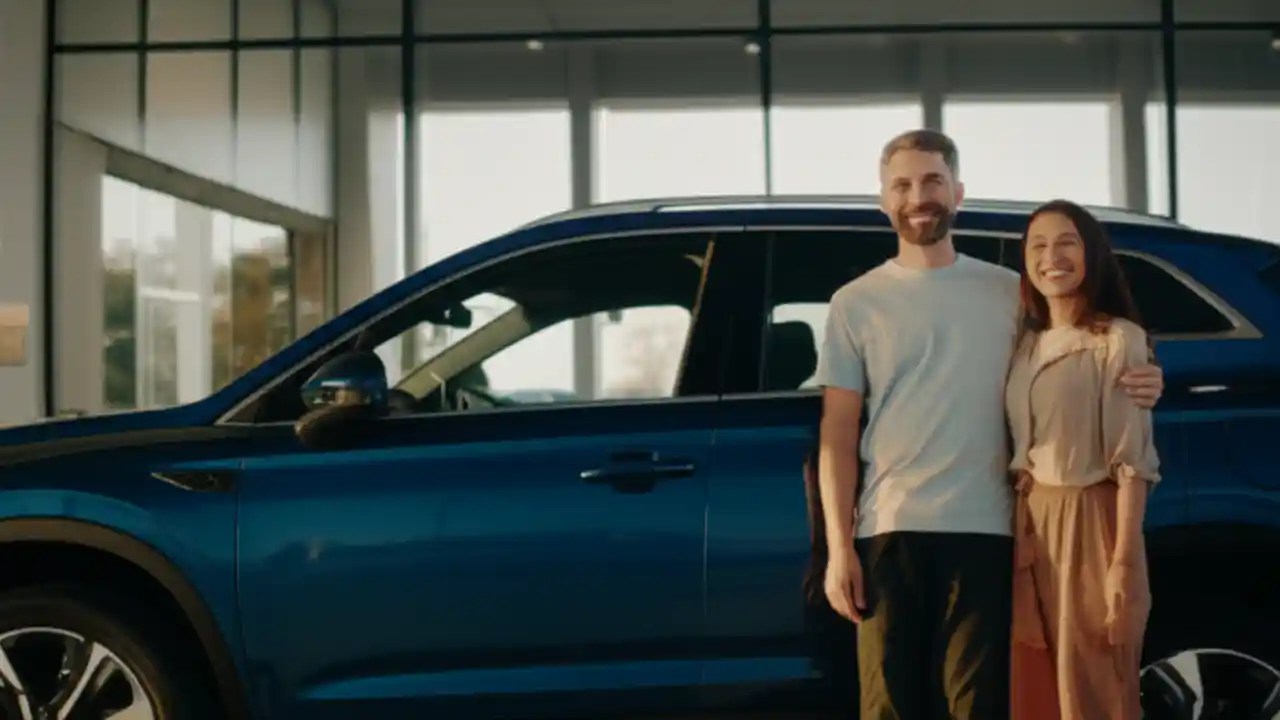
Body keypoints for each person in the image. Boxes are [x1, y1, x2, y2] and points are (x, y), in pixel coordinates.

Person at [812, 129, 1164, 720]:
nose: (917, 196)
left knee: (977, 706)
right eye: (902, 184)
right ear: (883, 200)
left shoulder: (1010, 292)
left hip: (990, 531)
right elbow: (838, 434)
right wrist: (839, 548)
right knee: (888, 706)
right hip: (888, 529)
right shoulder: (856, 302)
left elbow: (1079, 351)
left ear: (958, 193)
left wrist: (1149, 374)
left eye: (932, 181)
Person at [1006, 200, 1158, 720]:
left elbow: (1131, 460)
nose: (1053, 257)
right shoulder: (1025, 343)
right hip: (1029, 524)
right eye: (1039, 246)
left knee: (1093, 682)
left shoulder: (1117, 339)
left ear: (1091, 252)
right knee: (1036, 686)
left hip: (1090, 522)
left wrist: (1124, 560)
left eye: (1067, 242)